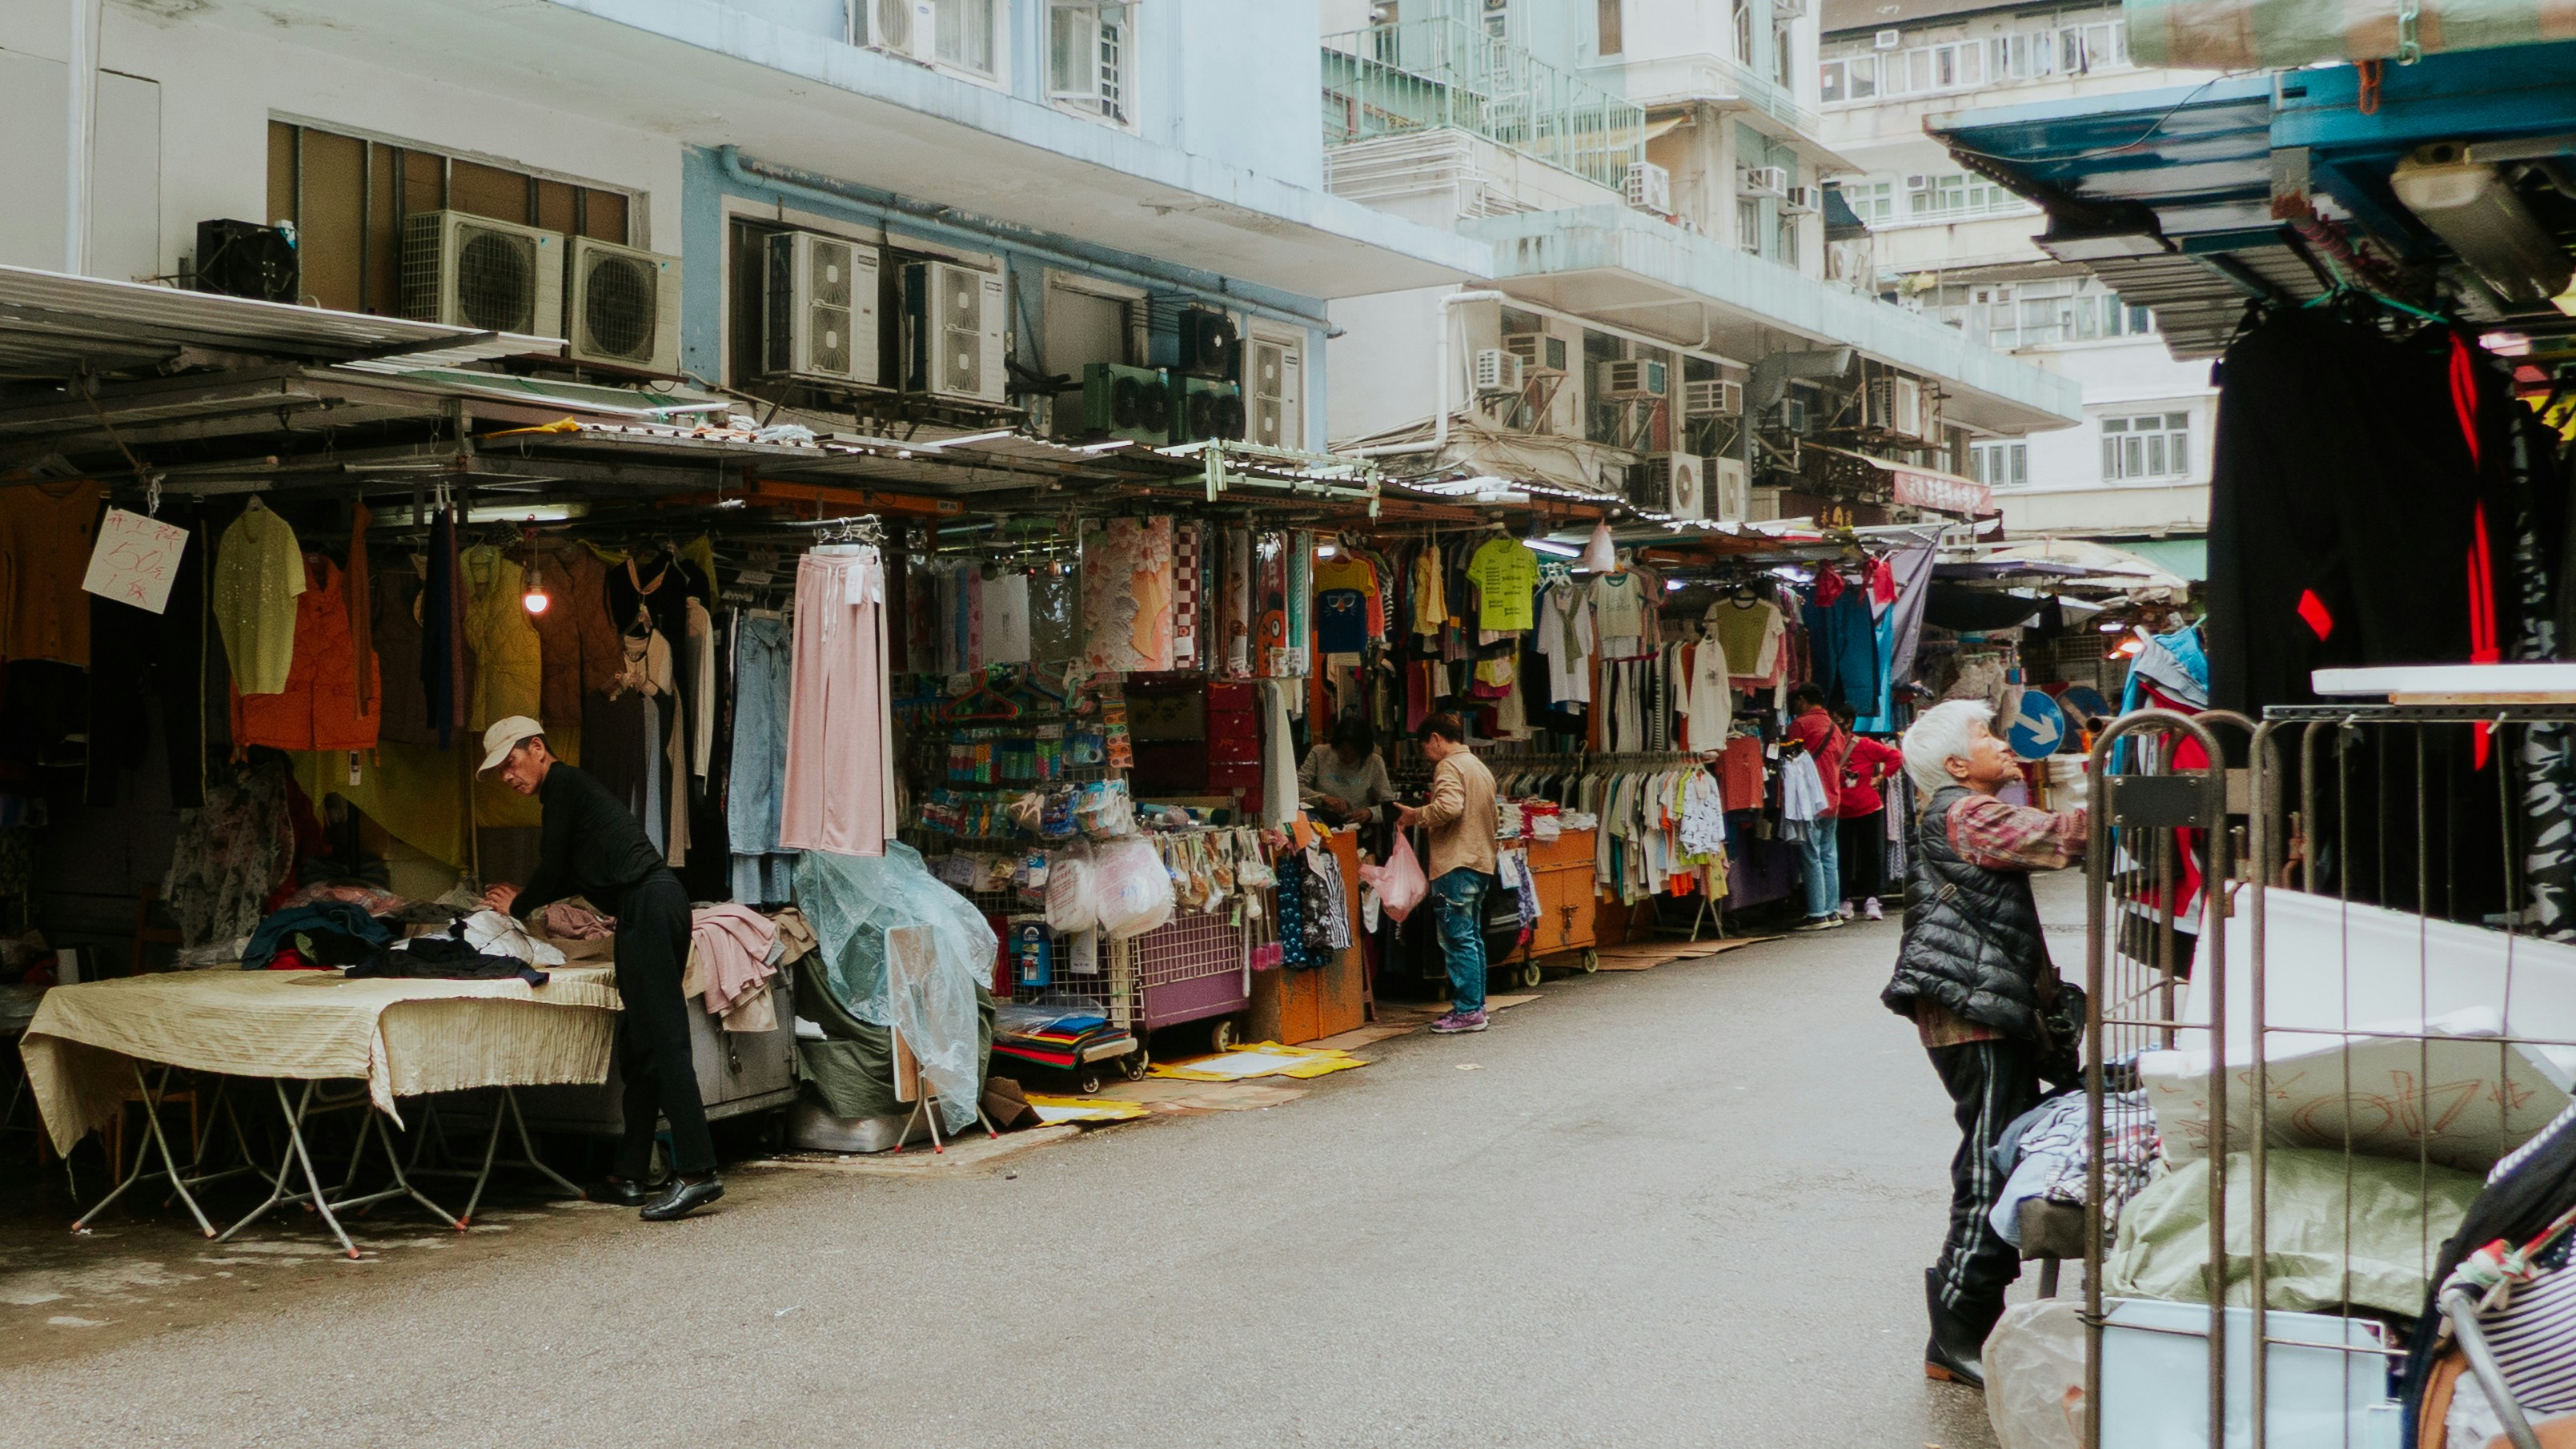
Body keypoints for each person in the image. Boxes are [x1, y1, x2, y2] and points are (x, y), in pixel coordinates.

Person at [1882, 700, 2087, 1389]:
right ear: (1956, 765)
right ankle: (1957, 1327)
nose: (2004, 743)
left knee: (1994, 1152)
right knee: (1989, 1161)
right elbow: (2061, 836)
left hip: (1978, 1004)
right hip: (1971, 1009)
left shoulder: (1953, 810)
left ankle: (1967, 1320)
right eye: (1987, 735)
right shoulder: (1963, 811)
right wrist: (2128, 795)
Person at [476, 716, 723, 1222]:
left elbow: (551, 867)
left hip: (651, 904)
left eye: (511, 762)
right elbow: (565, 870)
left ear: (538, 748)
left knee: (666, 1040)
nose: (506, 777)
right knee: (640, 1045)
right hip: (640, 912)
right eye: (498, 770)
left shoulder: (564, 784)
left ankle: (698, 1172)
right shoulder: (564, 795)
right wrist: (527, 900)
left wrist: (519, 903)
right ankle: (630, 1173)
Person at [1394, 713, 1499, 1035]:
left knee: (1457, 939)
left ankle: (1468, 1011)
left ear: (1436, 739)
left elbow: (1450, 807)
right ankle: (1475, 1005)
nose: (1425, 753)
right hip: (1480, 861)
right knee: (1471, 938)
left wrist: (1417, 815)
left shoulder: (1449, 767)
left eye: (1425, 746)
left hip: (1455, 864)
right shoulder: (1478, 767)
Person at [1831, 700, 1902, 921]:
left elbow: (1895, 756)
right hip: (1840, 810)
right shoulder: (1829, 746)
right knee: (1842, 856)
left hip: (1868, 808)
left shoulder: (1864, 745)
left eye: (1836, 720)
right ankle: (1844, 899)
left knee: (1871, 855)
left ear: (1848, 722)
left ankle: (1872, 898)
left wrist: (1881, 777)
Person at [1784, 683, 1848, 931]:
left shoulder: (1799, 725)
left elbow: (1789, 759)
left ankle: (1817, 913)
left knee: (1811, 855)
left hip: (1809, 798)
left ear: (1801, 700)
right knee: (1829, 855)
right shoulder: (1835, 727)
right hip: (1832, 796)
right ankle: (1832, 911)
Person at [1299, 715, 1397, 827]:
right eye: (1343, 751)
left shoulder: (1374, 762)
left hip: (1355, 829)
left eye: (1354, 753)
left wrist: (1370, 813)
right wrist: (1323, 798)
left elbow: (1390, 804)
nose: (1348, 757)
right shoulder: (1320, 753)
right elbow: (1297, 787)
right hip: (1320, 826)